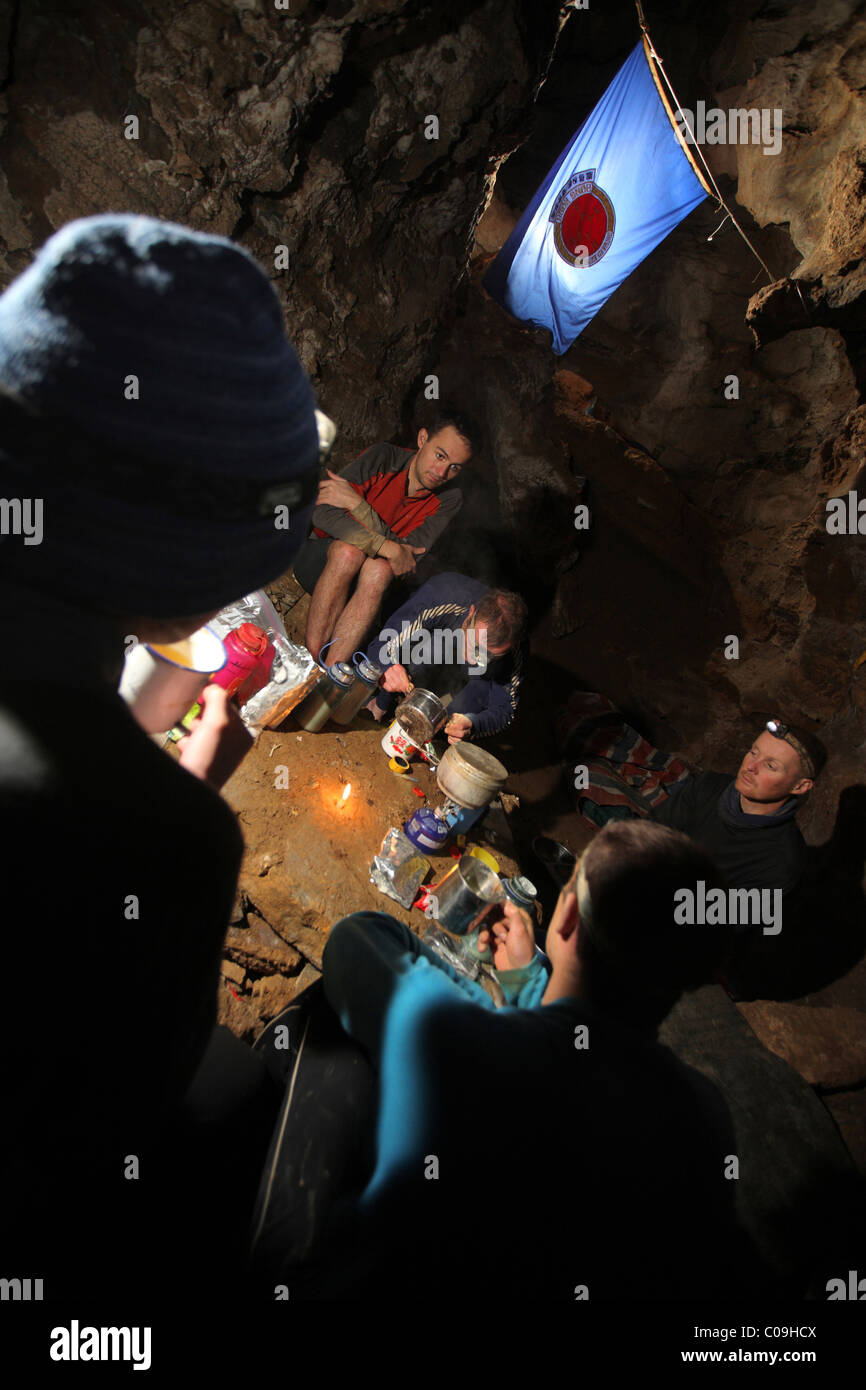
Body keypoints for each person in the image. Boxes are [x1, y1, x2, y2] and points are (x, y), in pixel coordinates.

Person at [0, 214, 320, 1302]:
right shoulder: (161, 843)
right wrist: (169, 806)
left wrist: (116, 746)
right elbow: (94, 1128)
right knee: (239, 1101)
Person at [316, 820, 748, 1299]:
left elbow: (355, 940)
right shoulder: (707, 1116)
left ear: (565, 922)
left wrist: (512, 998)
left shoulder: (449, 1038)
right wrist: (529, 983)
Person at [295, 408, 477, 662]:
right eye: (439, 455)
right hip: (320, 563)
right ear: (422, 439)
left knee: (379, 569)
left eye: (454, 467)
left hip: (367, 588)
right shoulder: (383, 457)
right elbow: (323, 513)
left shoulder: (449, 499)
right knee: (349, 552)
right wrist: (388, 546)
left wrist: (359, 507)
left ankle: (329, 672)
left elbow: (409, 559)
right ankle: (313, 657)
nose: (441, 472)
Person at [650, 718, 824, 896]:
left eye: (770, 765)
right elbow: (648, 834)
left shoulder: (780, 862)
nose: (751, 766)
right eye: (753, 752)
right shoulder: (707, 786)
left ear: (800, 786)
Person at [365, 571, 527, 742]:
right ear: (471, 613)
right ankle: (380, 703)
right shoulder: (444, 594)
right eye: (475, 645)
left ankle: (433, 737)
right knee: (418, 652)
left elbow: (504, 710)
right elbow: (384, 644)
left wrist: (473, 724)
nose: (474, 659)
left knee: (472, 698)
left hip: (469, 685)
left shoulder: (516, 648)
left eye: (490, 655)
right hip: (432, 643)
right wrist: (386, 673)